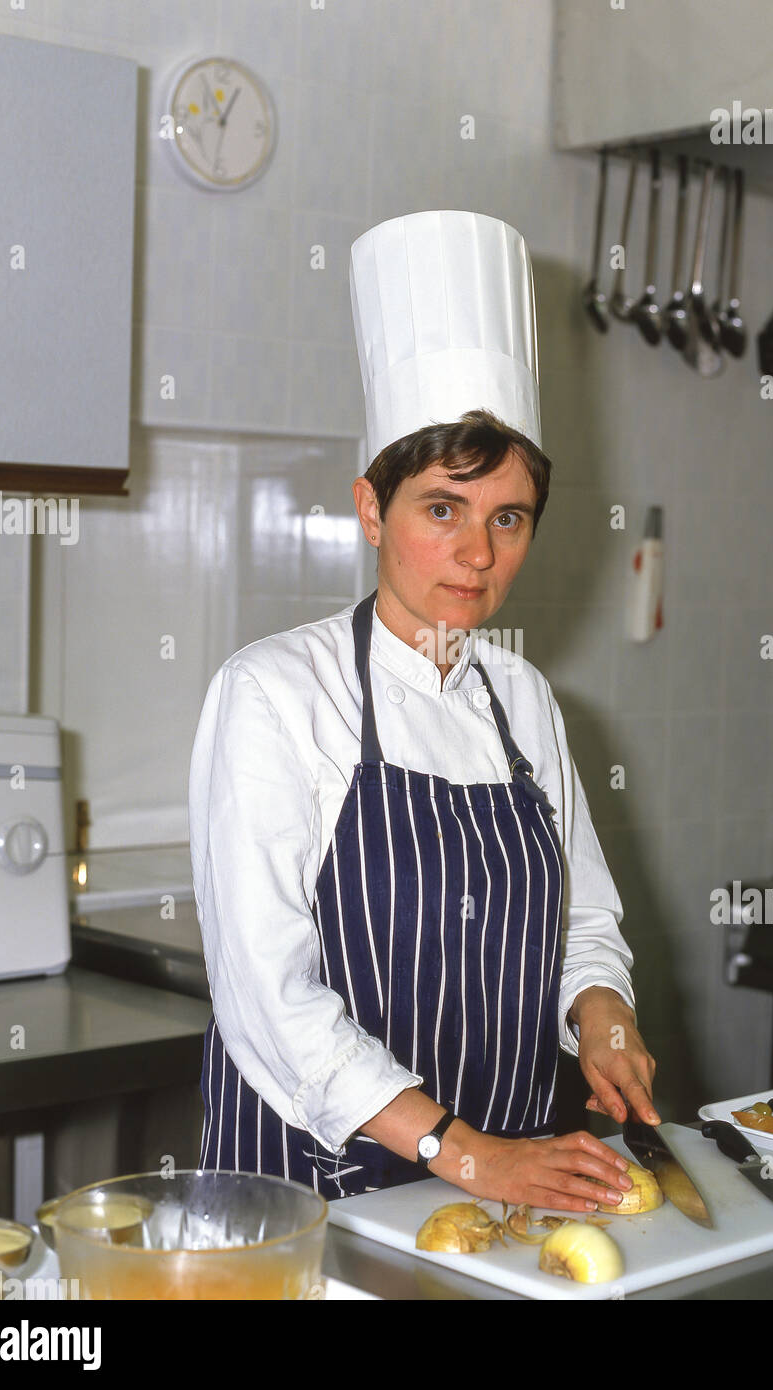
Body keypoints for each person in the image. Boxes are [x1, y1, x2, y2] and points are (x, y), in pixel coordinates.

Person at [188, 210, 659, 1210]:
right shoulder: (273, 693)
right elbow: (268, 999)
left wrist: (603, 1013)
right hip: (310, 1204)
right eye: (442, 508)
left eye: (508, 518)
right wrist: (469, 1150)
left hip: (504, 1196)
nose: (478, 555)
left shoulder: (523, 700)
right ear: (372, 509)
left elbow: (580, 920)